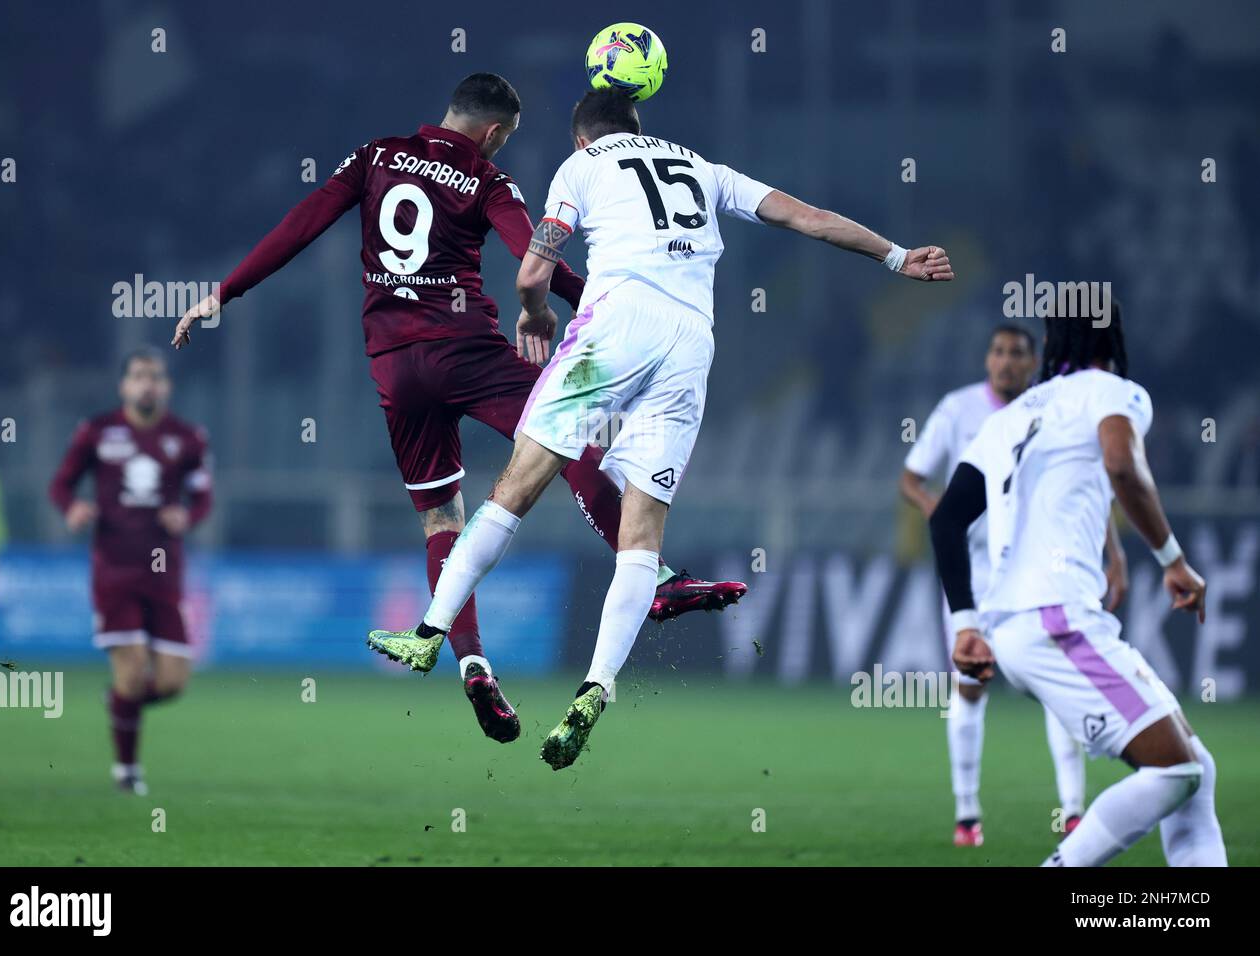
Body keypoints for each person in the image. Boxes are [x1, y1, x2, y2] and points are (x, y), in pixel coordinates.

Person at [372, 88, 955, 770]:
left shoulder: (582, 167)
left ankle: (430, 633)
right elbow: (811, 219)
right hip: (690, 343)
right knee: (642, 534)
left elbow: (533, 271)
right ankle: (595, 690)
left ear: (583, 137)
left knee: (516, 486)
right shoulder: (705, 169)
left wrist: (534, 313)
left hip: (616, 322)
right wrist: (897, 256)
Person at [172, 73, 745, 744]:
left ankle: (472, 663)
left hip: (394, 366)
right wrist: (604, 300)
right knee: (567, 444)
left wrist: (225, 292)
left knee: (442, 518)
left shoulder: (375, 155)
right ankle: (659, 578)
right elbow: (534, 257)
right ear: (495, 132)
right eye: (505, 139)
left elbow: (301, 225)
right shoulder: (488, 180)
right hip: (468, 352)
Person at [930, 303, 1227, 865]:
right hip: (1057, 619)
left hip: (1017, 626)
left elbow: (946, 518)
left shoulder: (1008, 418)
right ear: (1113, 340)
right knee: (1177, 770)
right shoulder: (1112, 391)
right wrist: (1172, 560)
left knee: (1197, 769)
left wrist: (966, 624)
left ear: (1050, 343)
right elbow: (1122, 464)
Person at [49, 347, 212, 794]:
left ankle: (120, 703)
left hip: (164, 575)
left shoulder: (187, 438)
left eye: (155, 377)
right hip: (113, 570)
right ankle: (127, 771)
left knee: (172, 682)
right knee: (133, 667)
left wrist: (188, 517)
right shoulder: (97, 432)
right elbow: (61, 484)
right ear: (124, 385)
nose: (147, 384)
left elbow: (203, 496)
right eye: (139, 376)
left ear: (167, 386)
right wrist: (73, 507)